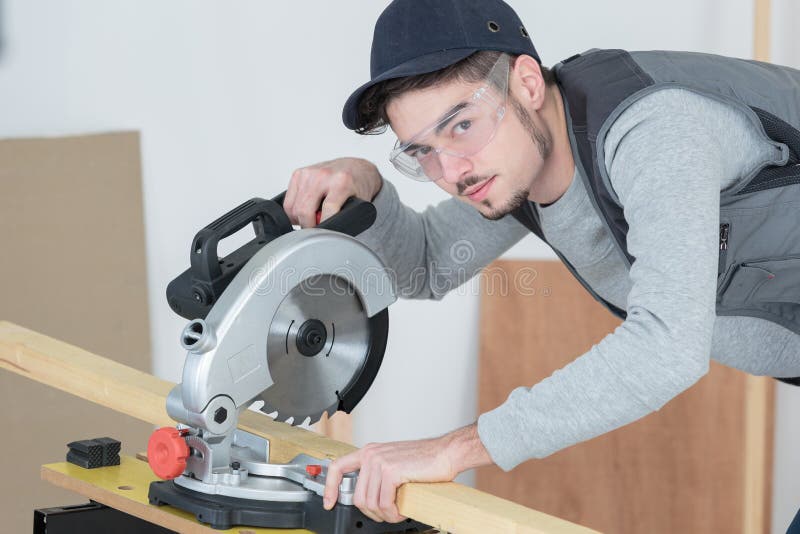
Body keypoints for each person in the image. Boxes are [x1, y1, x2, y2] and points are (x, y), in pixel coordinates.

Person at [283, 0, 800, 524]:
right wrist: (367, 187)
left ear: (527, 83)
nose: (452, 171)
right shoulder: (517, 161)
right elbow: (428, 263)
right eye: (421, 151)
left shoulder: (651, 129)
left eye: (461, 125)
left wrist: (453, 449)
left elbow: (668, 344)